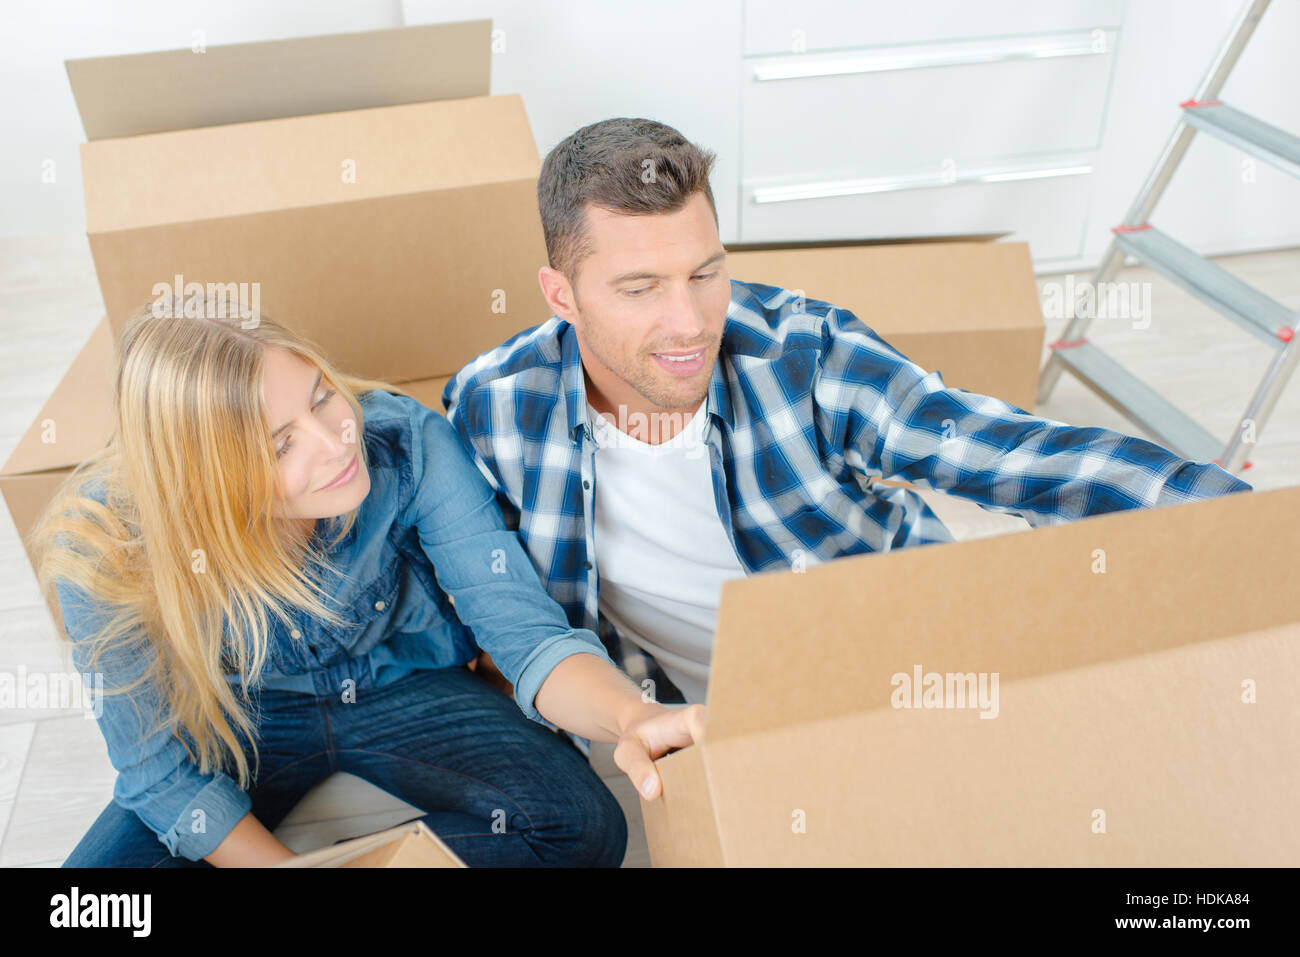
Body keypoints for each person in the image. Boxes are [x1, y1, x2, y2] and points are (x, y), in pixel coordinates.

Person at [442, 116, 1255, 708]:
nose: (689, 322)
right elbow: (487, 585)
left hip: (896, 678)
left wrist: (1250, 541)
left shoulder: (810, 359)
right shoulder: (493, 407)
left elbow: (1019, 457)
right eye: (640, 288)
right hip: (702, 718)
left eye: (704, 273)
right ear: (562, 297)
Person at [32, 294, 702, 868]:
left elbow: (526, 636)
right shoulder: (107, 545)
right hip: (242, 714)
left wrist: (630, 714)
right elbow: (158, 773)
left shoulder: (408, 445)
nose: (335, 440)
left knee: (582, 824)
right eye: (281, 444)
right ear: (206, 482)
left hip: (403, 683)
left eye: (323, 396)